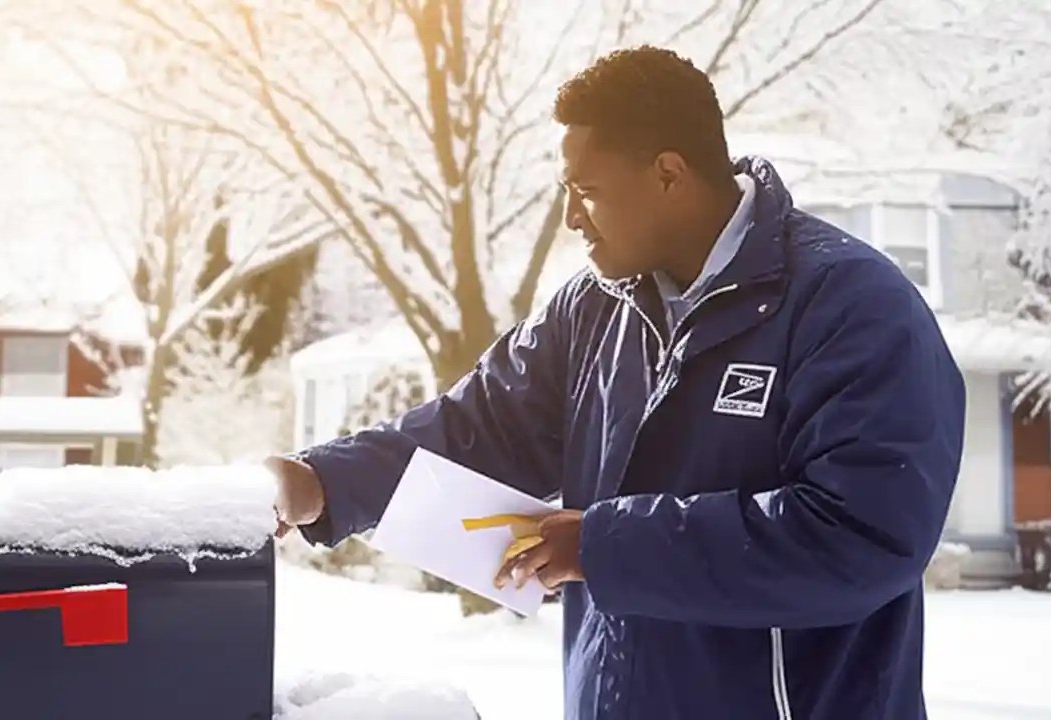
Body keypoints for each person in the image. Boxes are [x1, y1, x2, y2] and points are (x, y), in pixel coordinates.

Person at [269, 44, 965, 720]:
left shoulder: (851, 306)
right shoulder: (594, 307)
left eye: (587, 192)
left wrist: (607, 546)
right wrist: (322, 483)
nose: (571, 218)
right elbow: (478, 428)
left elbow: (858, 537)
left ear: (668, 173)